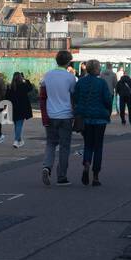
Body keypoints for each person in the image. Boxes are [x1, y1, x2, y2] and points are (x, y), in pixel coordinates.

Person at [40, 49, 77, 186]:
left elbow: (43, 92)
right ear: (68, 62)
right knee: (64, 146)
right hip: (66, 115)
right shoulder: (70, 77)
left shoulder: (47, 75)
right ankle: (61, 176)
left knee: (50, 143)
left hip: (51, 115)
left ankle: (46, 167)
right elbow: (73, 94)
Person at [72, 60, 112, 185]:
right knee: (98, 146)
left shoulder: (81, 82)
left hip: (85, 118)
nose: (100, 69)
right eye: (99, 67)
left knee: (88, 144)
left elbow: (76, 98)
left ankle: (86, 163)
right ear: (95, 69)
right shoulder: (101, 83)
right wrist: (107, 111)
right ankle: (95, 176)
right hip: (100, 119)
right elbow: (107, 99)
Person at [7, 71, 36, 147]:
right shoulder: (23, 85)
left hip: (13, 108)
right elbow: (30, 87)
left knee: (16, 125)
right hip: (22, 108)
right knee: (19, 125)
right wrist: (25, 79)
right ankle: (16, 140)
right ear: (20, 78)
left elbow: (7, 97)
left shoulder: (10, 87)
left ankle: (19, 140)